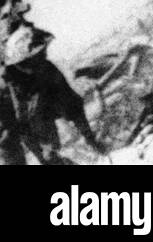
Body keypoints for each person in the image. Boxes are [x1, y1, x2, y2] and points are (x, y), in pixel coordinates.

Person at [1, 22, 106, 164]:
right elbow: (24, 125)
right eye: (37, 56)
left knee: (51, 146)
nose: (44, 56)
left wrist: (91, 139)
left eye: (42, 52)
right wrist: (45, 153)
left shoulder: (47, 70)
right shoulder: (9, 86)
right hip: (11, 122)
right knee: (12, 144)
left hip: (35, 116)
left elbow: (73, 106)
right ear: (24, 61)